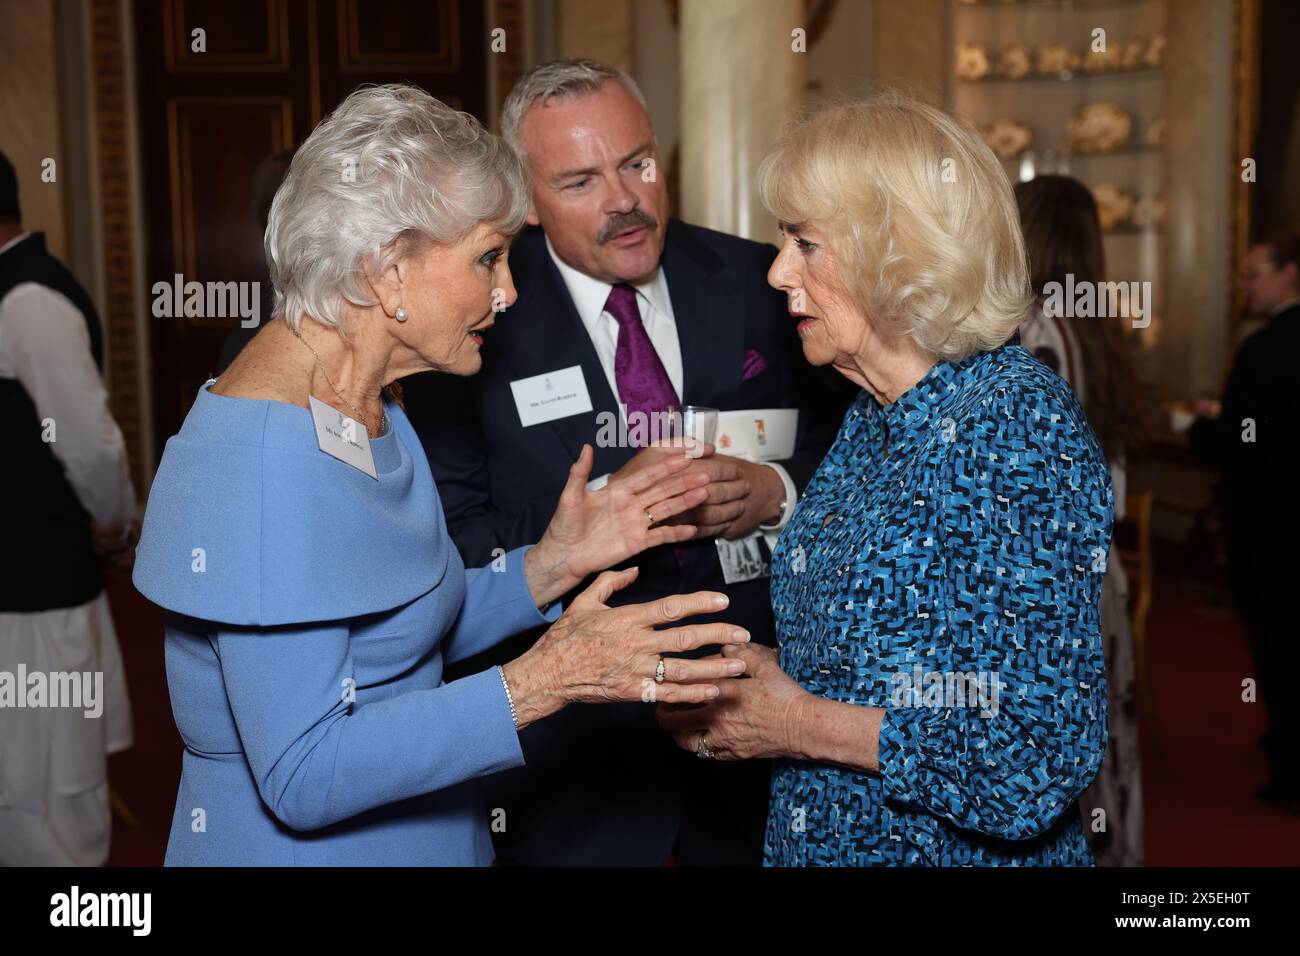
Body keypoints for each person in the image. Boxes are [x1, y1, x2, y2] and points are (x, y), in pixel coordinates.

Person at [131, 84, 752, 866]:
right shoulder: (262, 464)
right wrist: (544, 681)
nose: (510, 291)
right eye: (489, 258)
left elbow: (397, 631)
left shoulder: (370, 403)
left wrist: (551, 563)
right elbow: (302, 773)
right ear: (390, 273)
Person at [411, 58, 848, 865]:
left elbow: (865, 456)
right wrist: (611, 505)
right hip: (575, 753)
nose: (624, 202)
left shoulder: (765, 282)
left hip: (762, 714)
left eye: (638, 165)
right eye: (579, 182)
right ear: (526, 203)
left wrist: (774, 488)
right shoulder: (475, 322)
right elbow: (451, 548)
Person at [657, 92, 1113, 866]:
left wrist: (796, 721)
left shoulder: (1008, 421)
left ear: (895, 251)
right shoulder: (874, 414)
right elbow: (890, 658)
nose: (775, 272)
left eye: (804, 243)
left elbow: (1038, 751)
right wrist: (759, 681)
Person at [0, 149, 136, 864]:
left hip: (36, 587)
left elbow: (86, 440)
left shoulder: (28, 301)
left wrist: (116, 516)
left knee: (50, 788)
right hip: (23, 583)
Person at [1015, 174, 1145, 866]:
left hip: (1057, 579)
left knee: (1061, 760)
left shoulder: (1033, 329)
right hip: (1102, 572)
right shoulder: (1097, 325)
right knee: (1104, 751)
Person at [1190, 234, 1300, 811]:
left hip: (1274, 527)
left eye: (1254, 274)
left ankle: (1290, 771)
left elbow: (1240, 442)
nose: (1244, 286)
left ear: (1291, 274)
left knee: (1279, 642)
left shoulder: (1267, 349)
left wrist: (1198, 427)